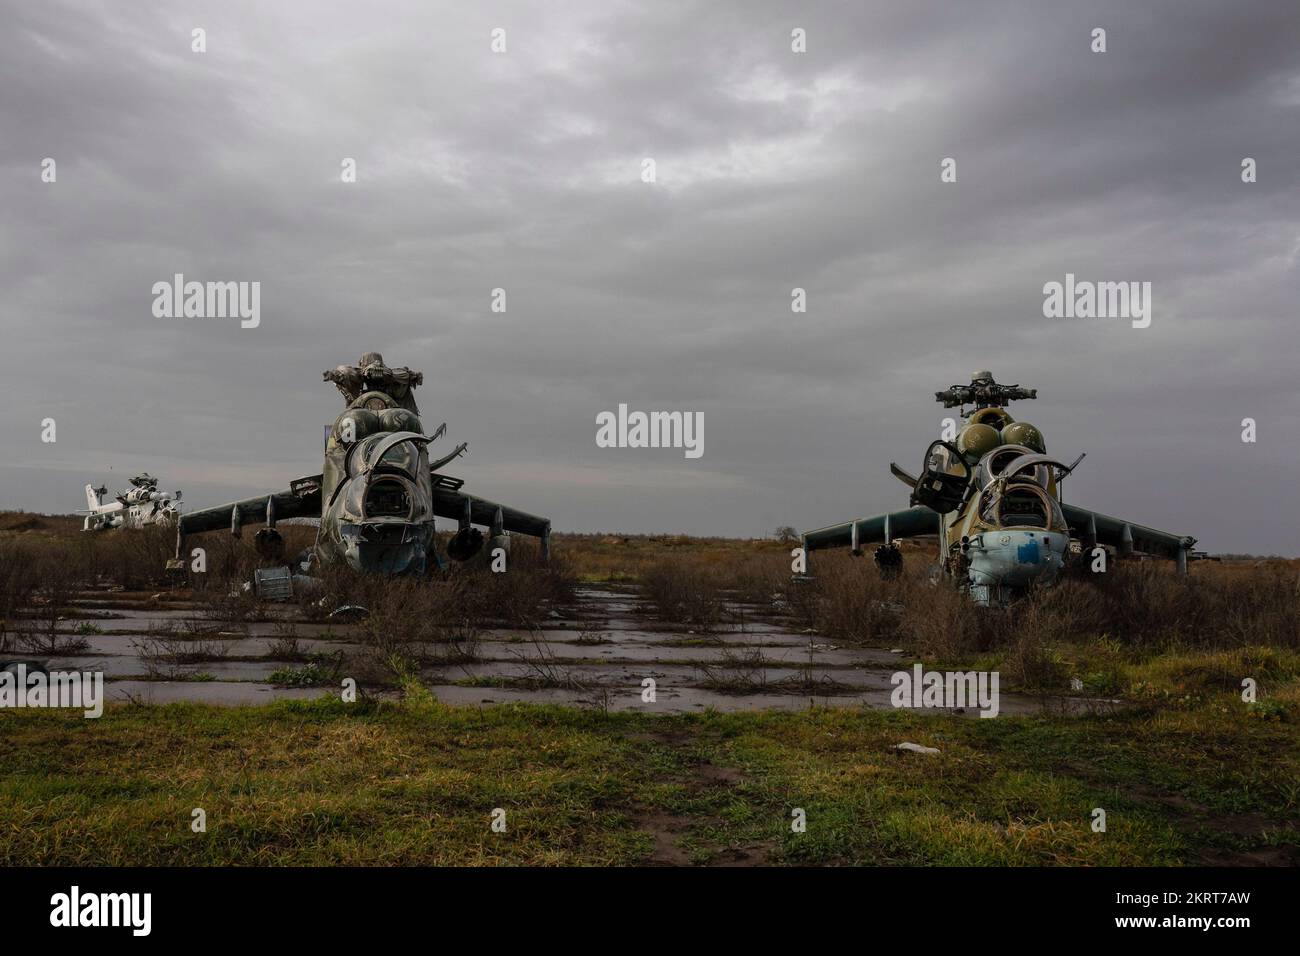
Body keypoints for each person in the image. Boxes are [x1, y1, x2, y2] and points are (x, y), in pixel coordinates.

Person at [323, 351, 424, 413]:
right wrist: (336, 375)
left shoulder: (394, 378)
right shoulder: (357, 386)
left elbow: (404, 375)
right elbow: (347, 371)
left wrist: (383, 373)